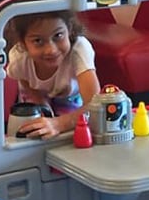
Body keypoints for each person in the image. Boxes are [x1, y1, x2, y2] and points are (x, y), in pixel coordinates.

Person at [6, 10, 100, 139]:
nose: (51, 50)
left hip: (69, 97)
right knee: (29, 131)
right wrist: (41, 103)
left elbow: (95, 105)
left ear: (69, 29)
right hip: (36, 94)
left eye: (58, 35)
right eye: (38, 41)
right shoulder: (19, 59)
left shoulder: (79, 50)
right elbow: (24, 80)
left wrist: (58, 124)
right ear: (23, 44)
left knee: (69, 135)